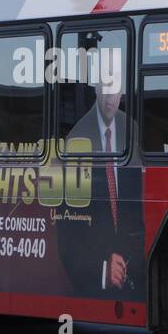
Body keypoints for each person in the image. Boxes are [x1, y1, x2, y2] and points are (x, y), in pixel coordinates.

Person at [58, 58, 144, 298]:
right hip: (96, 276)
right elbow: (68, 227)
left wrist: (131, 258)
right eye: (105, 88)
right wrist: (103, 266)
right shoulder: (77, 136)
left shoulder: (133, 130)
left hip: (133, 267)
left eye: (115, 88)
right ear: (96, 88)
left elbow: (137, 209)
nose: (110, 97)